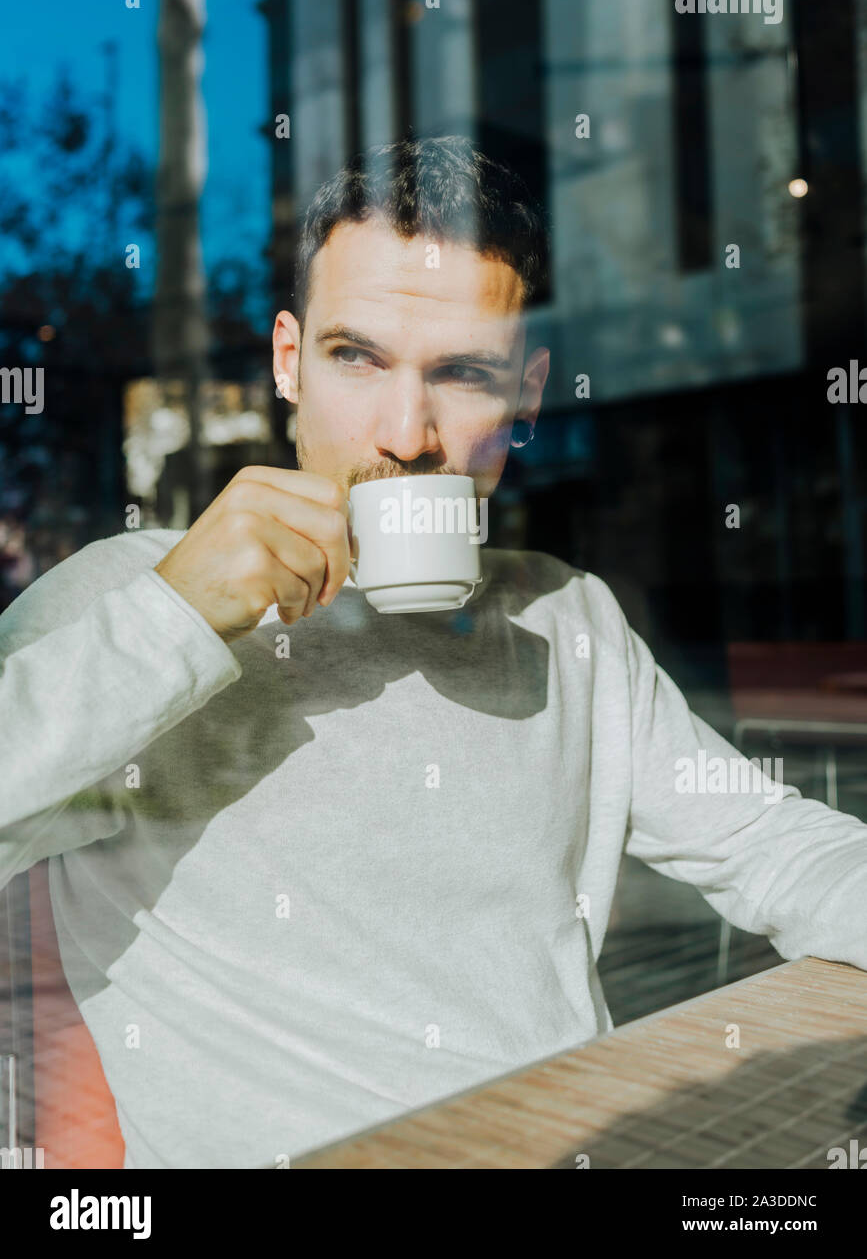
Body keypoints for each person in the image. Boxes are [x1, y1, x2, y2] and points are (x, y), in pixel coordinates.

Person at [2, 136, 866, 1169]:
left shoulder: (567, 617)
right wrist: (179, 616)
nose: (406, 432)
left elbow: (773, 847)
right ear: (287, 360)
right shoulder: (132, 594)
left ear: (527, 394)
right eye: (355, 357)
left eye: (461, 373)